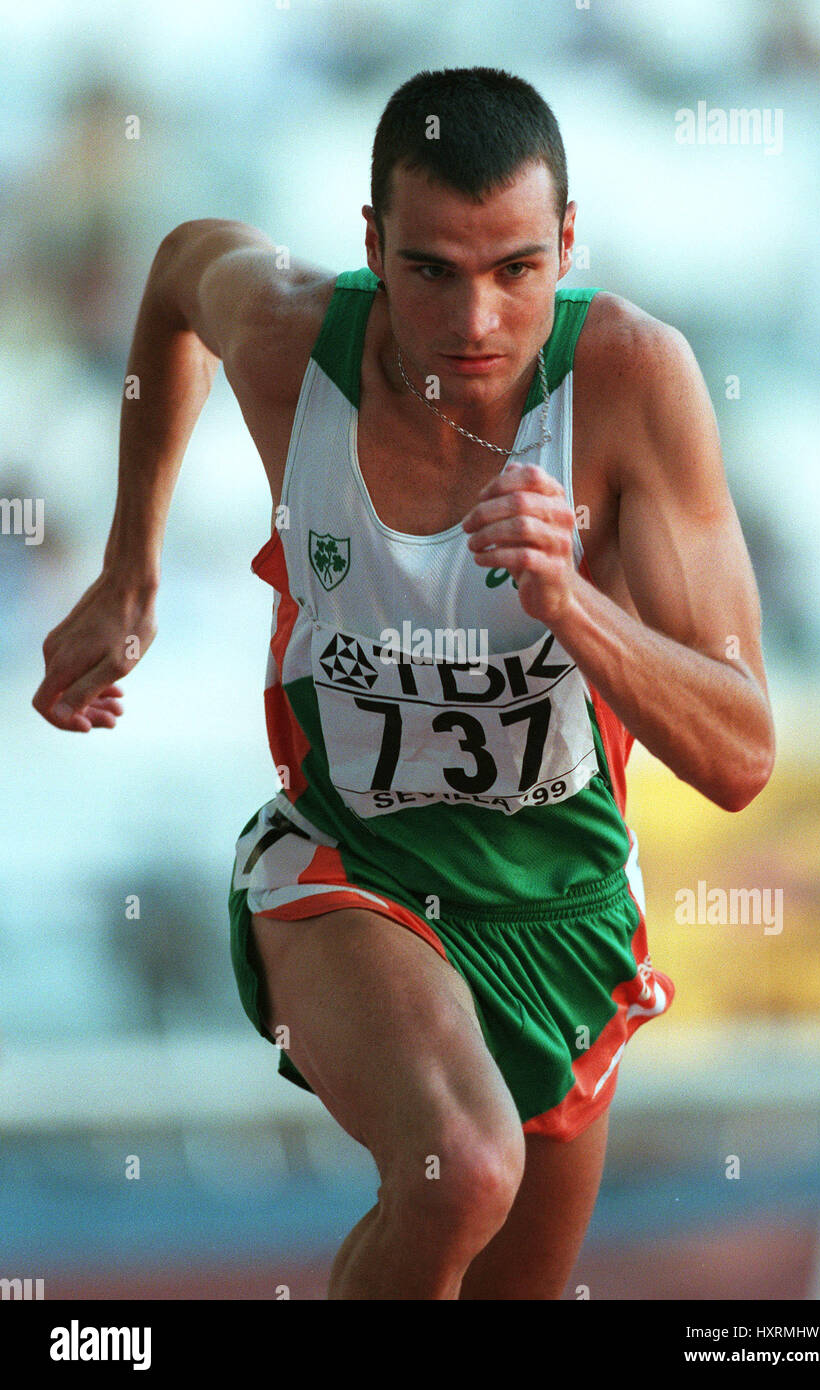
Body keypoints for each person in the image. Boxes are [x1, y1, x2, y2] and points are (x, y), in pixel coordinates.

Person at [32, 67, 775, 1300]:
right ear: (371, 244)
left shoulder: (634, 382)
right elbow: (173, 272)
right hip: (347, 862)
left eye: (514, 272)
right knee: (460, 1168)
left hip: (560, 903)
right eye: (429, 269)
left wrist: (573, 602)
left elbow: (741, 754)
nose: (473, 320)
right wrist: (126, 572)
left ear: (565, 247)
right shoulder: (286, 339)